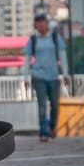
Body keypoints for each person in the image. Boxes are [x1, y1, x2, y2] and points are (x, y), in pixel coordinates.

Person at [23, 12, 70, 142]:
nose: (40, 24)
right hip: (38, 76)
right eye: (37, 22)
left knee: (55, 105)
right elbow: (26, 61)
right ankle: (43, 133)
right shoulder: (33, 40)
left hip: (53, 76)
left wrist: (65, 73)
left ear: (47, 23)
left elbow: (62, 56)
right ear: (35, 24)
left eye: (42, 21)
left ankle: (52, 126)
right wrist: (25, 78)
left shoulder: (55, 37)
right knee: (42, 105)